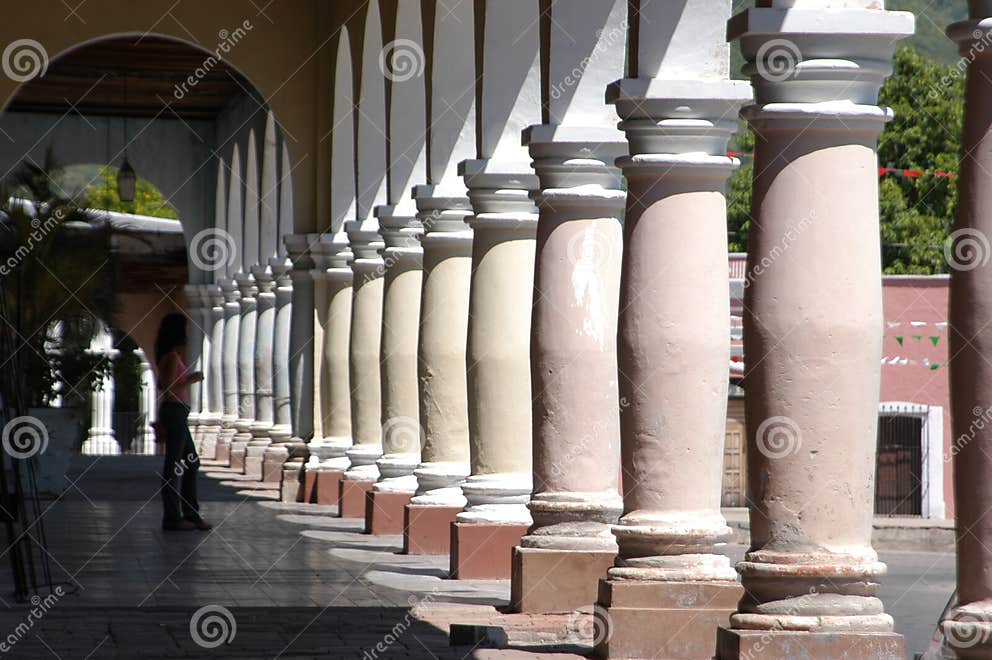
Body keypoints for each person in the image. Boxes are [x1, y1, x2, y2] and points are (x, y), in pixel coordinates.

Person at [154, 313, 211, 531]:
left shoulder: (170, 356)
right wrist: (191, 379)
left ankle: (188, 513)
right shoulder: (170, 357)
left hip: (177, 413)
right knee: (175, 465)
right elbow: (168, 391)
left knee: (190, 462)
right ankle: (174, 517)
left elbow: (161, 385)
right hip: (174, 412)